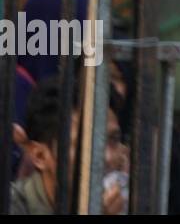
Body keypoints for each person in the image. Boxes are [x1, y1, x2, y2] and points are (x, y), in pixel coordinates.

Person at [9, 76, 127, 215]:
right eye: (86, 145)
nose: (108, 157)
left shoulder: (129, 201)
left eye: (113, 139)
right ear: (39, 156)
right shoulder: (9, 206)